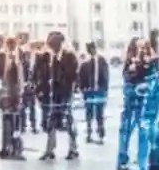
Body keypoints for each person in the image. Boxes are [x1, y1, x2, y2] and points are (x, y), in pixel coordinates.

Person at [117, 37, 155, 170]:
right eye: (139, 47)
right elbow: (127, 79)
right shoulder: (130, 62)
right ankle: (123, 160)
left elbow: (153, 77)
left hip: (143, 100)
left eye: (144, 47)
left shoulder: (149, 62)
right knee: (126, 129)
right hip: (132, 100)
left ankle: (142, 161)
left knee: (143, 130)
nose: (142, 50)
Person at [41, 32, 79, 162]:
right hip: (54, 94)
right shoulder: (50, 57)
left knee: (68, 121)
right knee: (51, 121)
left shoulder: (69, 56)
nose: (53, 49)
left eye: (54, 46)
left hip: (66, 93)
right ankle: (50, 149)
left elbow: (72, 75)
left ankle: (73, 149)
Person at [0, 37, 25, 160]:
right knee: (11, 123)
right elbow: (18, 79)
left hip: (10, 95)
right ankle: (10, 148)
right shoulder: (7, 59)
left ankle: (10, 147)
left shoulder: (13, 60)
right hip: (10, 95)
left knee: (11, 123)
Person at [77, 41, 109, 143]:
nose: (90, 51)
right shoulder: (85, 63)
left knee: (99, 114)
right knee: (89, 113)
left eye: (91, 49)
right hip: (89, 91)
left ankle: (100, 135)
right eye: (89, 49)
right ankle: (89, 133)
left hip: (99, 90)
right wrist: (83, 89)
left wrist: (105, 89)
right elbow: (80, 77)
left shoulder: (101, 60)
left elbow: (106, 75)